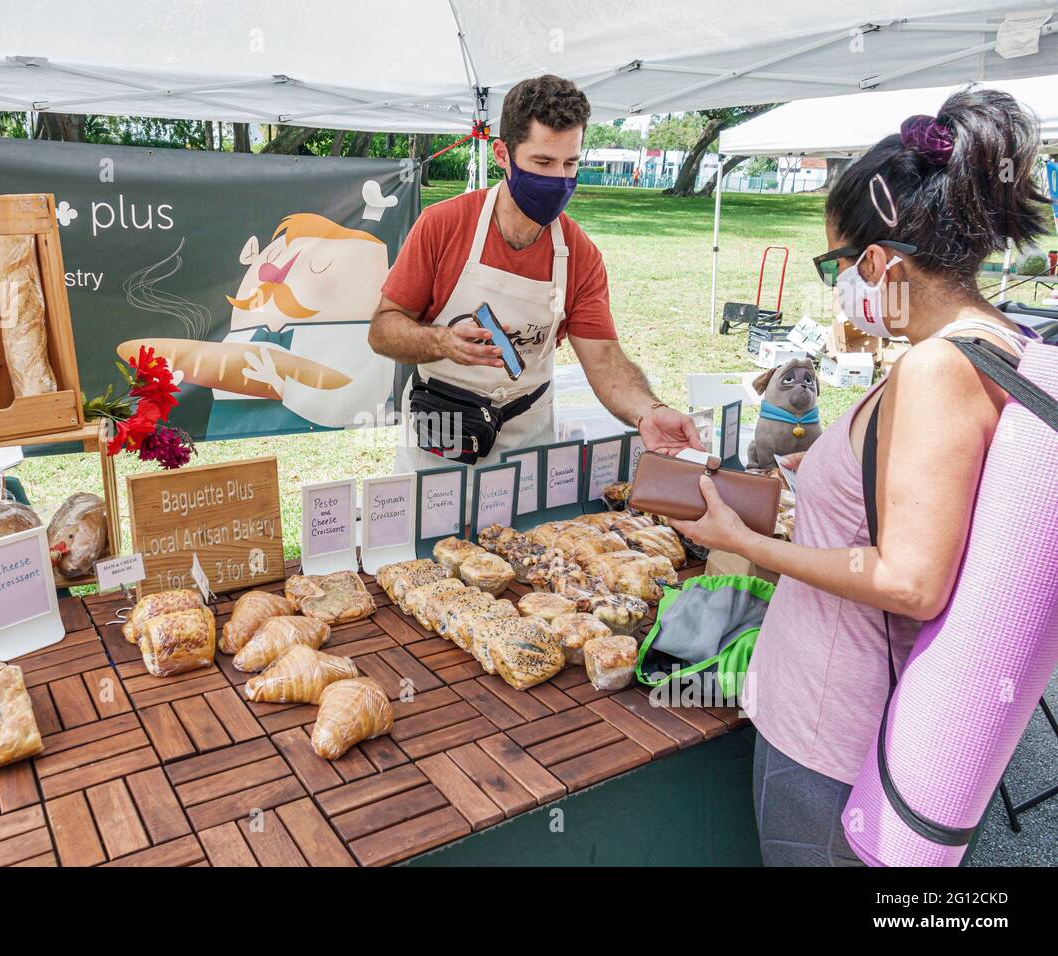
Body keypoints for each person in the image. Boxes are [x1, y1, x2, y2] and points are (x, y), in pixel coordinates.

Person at [669, 88, 1051, 866]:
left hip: (833, 733)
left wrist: (743, 540)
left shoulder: (938, 370)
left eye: (834, 266)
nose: (838, 289)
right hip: (862, 717)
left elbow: (911, 580)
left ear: (875, 263)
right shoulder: (1001, 341)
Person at [369, 74, 701, 479]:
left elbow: (606, 363)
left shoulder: (580, 254)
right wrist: (441, 341)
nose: (559, 179)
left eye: (571, 163)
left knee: (529, 540)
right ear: (503, 155)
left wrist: (651, 412)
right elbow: (383, 330)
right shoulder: (444, 225)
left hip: (527, 435)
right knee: (432, 540)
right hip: (444, 428)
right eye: (542, 162)